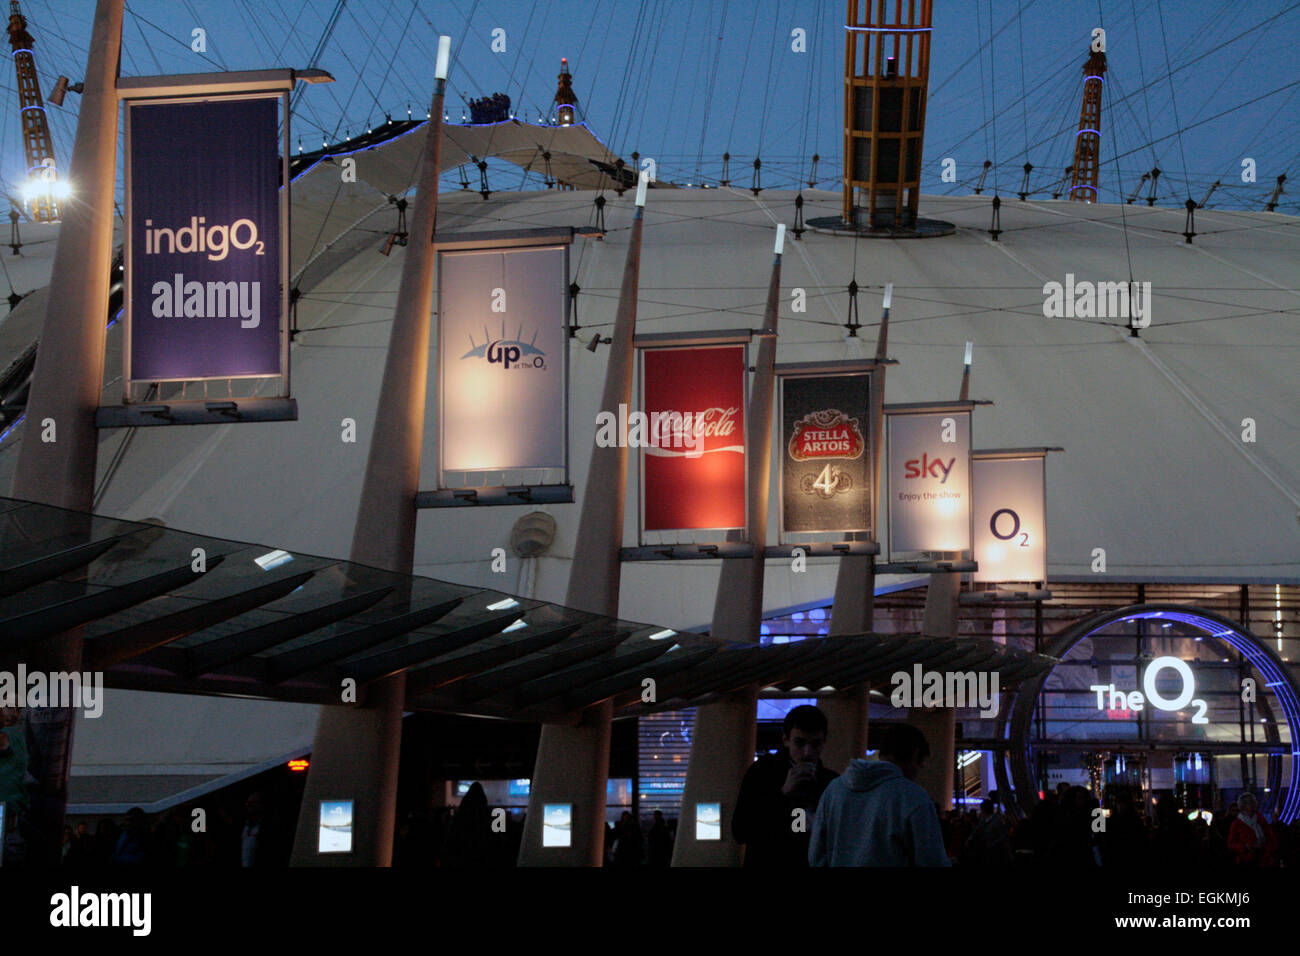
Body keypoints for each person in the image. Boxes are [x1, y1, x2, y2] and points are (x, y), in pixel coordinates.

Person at [809, 723, 950, 867]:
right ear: (915, 754)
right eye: (921, 763)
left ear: (882, 753)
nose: (919, 770)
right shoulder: (914, 797)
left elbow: (816, 855)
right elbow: (931, 859)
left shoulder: (834, 790)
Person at [732, 704, 837, 867]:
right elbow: (741, 831)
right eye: (800, 743)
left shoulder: (831, 782)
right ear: (785, 740)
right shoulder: (762, 772)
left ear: (824, 742)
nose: (807, 752)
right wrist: (782, 795)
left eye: (815, 744)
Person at [1227, 792, 1277, 866]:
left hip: (1263, 859)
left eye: (1254, 802)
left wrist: (1266, 848)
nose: (1254, 804)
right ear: (1243, 805)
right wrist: (1246, 847)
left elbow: (1271, 838)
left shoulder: (1261, 820)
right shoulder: (1237, 824)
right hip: (1246, 860)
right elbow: (1231, 844)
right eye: (1250, 803)